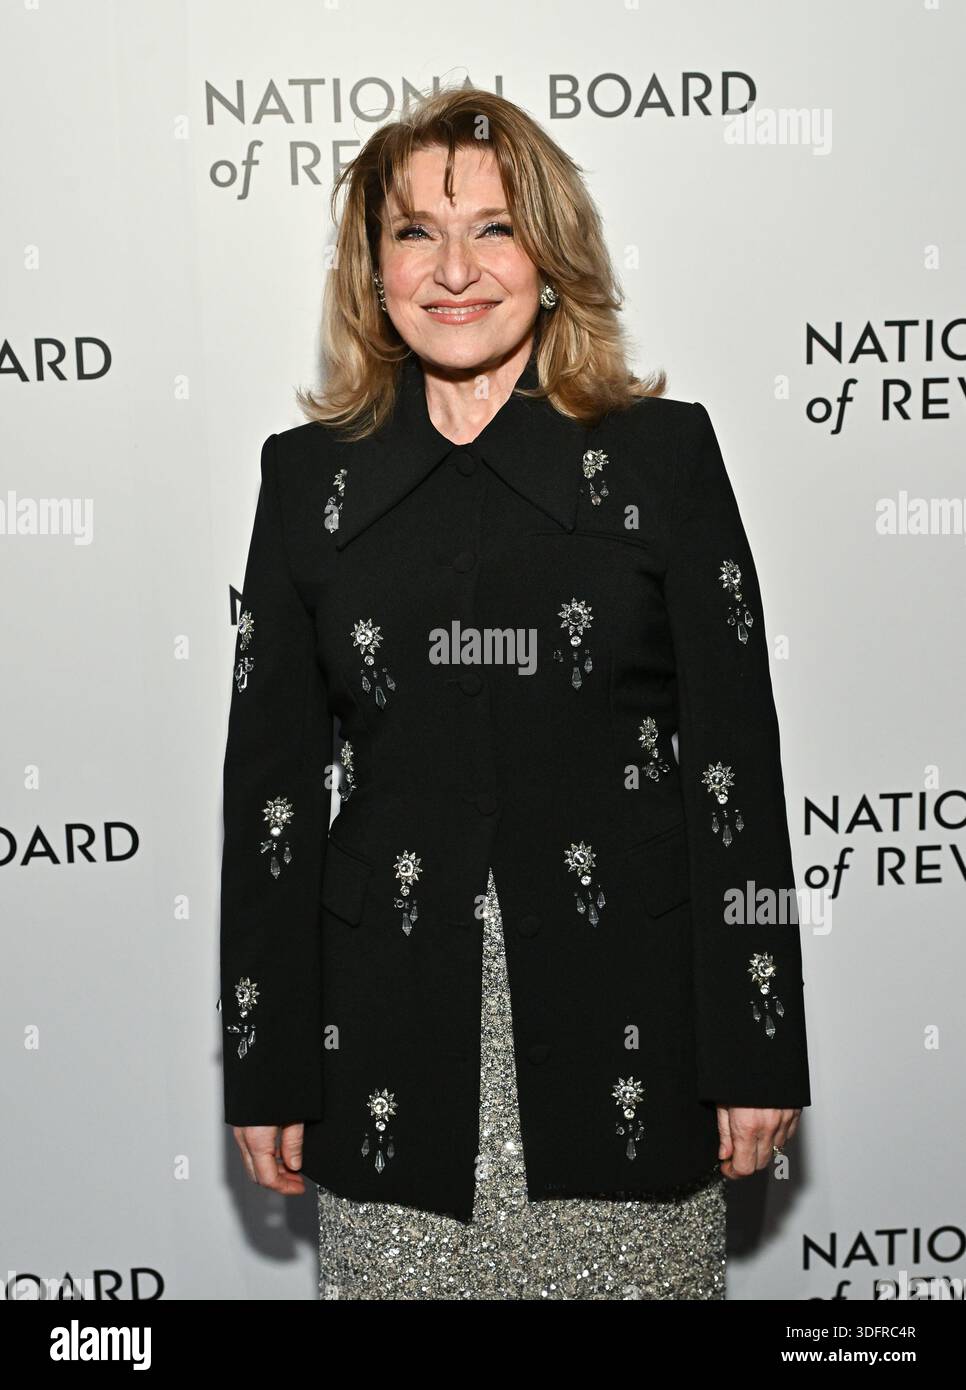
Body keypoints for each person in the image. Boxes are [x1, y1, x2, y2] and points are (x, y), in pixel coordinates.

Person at [218, 85, 810, 1301]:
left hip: (633, 1041)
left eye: (492, 227)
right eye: (414, 233)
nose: (453, 270)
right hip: (385, 1042)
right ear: (370, 270)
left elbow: (734, 769)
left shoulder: (663, 457)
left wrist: (758, 1042)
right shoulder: (307, 482)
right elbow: (270, 798)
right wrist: (267, 1065)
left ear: (552, 258)